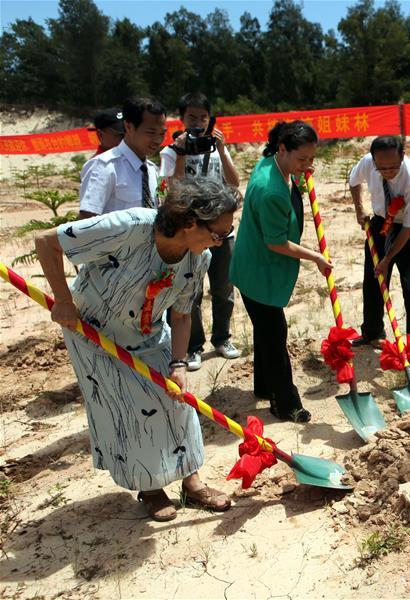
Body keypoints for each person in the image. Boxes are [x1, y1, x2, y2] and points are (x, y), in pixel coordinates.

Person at [34, 177, 240, 521]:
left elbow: (183, 313)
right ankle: (150, 488)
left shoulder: (196, 258)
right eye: (218, 234)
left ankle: (192, 482)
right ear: (190, 223)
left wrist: (177, 363)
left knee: (179, 404)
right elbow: (45, 242)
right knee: (134, 408)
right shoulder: (129, 227)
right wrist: (64, 302)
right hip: (94, 333)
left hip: (149, 333)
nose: (220, 243)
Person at [230, 121, 331, 421]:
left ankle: (264, 386)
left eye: (311, 159)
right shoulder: (272, 189)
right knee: (275, 334)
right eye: (302, 160)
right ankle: (285, 403)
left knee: (265, 329)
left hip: (251, 264)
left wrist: (299, 174)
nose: (307, 165)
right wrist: (315, 257)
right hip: (260, 271)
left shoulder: (269, 164)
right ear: (282, 149)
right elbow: (276, 243)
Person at [160, 92, 242, 370]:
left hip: (220, 232)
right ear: (181, 119)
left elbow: (234, 183)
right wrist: (182, 152)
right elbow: (173, 186)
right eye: (192, 117)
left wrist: (221, 149)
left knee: (223, 287)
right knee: (189, 291)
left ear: (211, 120)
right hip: (189, 233)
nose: (198, 123)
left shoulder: (218, 147)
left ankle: (222, 339)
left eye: (203, 117)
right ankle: (193, 347)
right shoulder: (171, 151)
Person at [349, 136, 410, 356]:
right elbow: (353, 180)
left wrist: (387, 259)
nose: (387, 172)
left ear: (402, 156)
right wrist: (359, 209)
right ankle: (372, 332)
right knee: (373, 279)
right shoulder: (368, 162)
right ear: (374, 161)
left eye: (393, 167)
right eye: (381, 168)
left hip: (409, 231)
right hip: (379, 222)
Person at [78, 96, 167, 219]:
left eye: (162, 133)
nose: (157, 140)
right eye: (151, 132)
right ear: (129, 127)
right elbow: (86, 220)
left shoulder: (153, 170)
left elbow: (163, 202)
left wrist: (177, 160)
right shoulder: (103, 166)